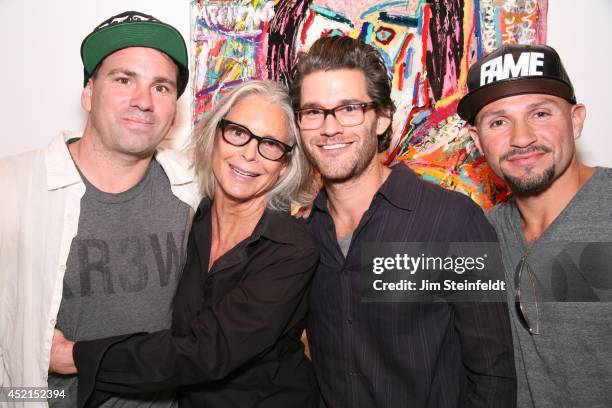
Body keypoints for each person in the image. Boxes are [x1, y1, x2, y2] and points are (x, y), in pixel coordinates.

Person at [49, 79, 320, 408]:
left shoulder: (291, 248)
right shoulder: (190, 218)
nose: (249, 153)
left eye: (271, 144)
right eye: (237, 133)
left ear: (284, 166)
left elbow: (206, 351)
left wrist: (74, 355)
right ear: (214, 138)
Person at [290, 35, 516, 407]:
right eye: (313, 111)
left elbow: (494, 374)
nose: (329, 128)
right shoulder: (302, 235)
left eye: (349, 108)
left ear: (381, 118)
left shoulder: (457, 221)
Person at [0, 10, 200, 408]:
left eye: (161, 88)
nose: (143, 101)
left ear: (173, 110)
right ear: (88, 93)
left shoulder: (194, 187)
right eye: (124, 80)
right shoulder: (13, 186)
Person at [458, 43, 612, 408]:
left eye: (540, 114)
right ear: (477, 141)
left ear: (575, 120)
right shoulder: (482, 236)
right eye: (498, 121)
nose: (522, 137)